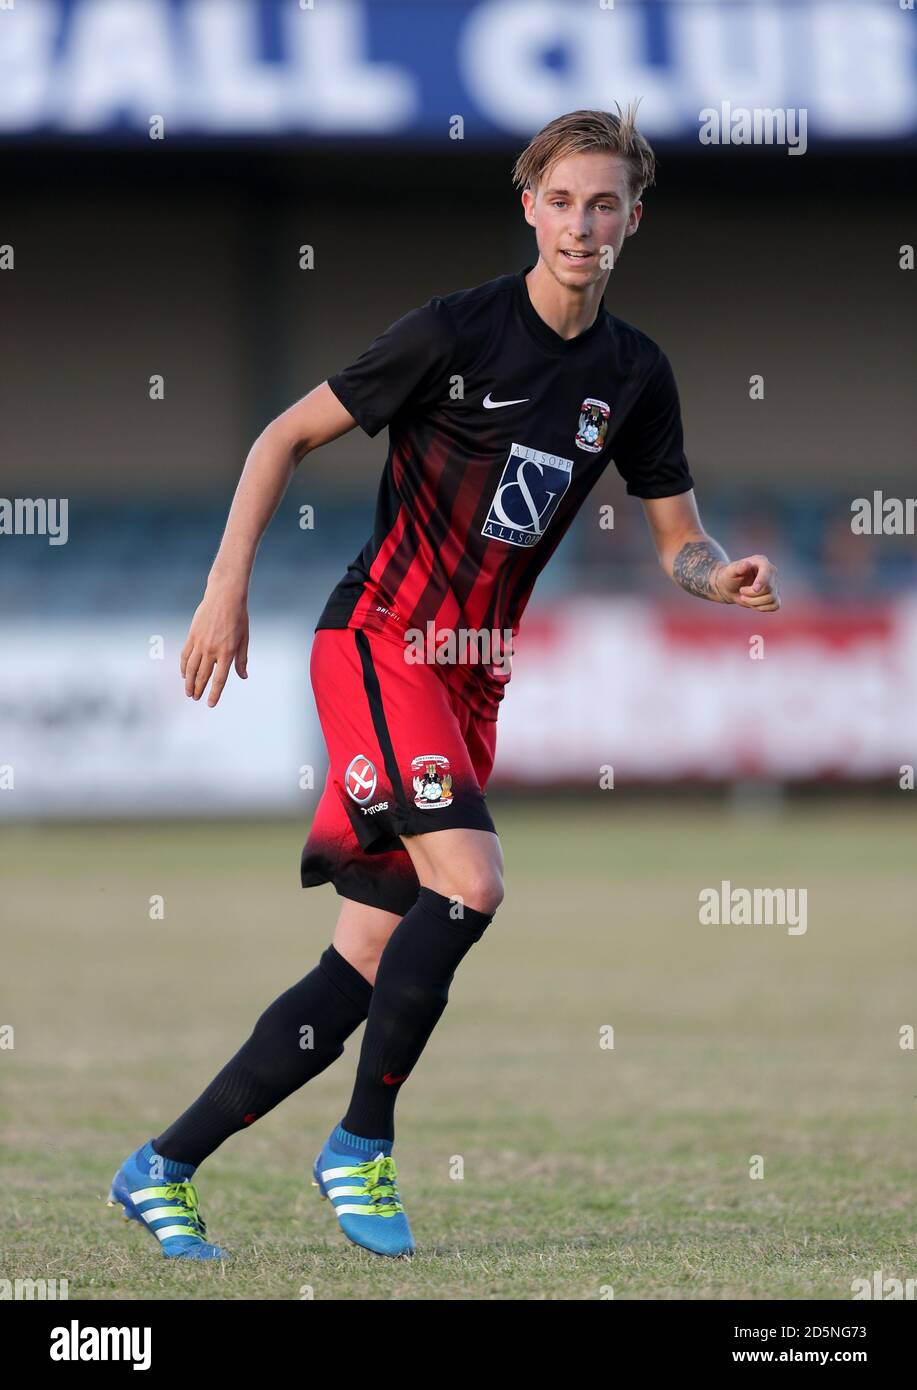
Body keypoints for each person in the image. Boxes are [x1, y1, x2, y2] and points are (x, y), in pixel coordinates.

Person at [107, 105, 780, 1261]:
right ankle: (360, 1143)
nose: (580, 224)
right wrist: (225, 590)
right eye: (560, 201)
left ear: (630, 219)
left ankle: (161, 1164)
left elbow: (680, 535)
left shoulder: (631, 374)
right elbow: (281, 435)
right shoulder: (453, 331)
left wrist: (714, 578)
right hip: (377, 640)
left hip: (471, 679)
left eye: (602, 203)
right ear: (528, 207)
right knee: (470, 881)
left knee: (364, 958)